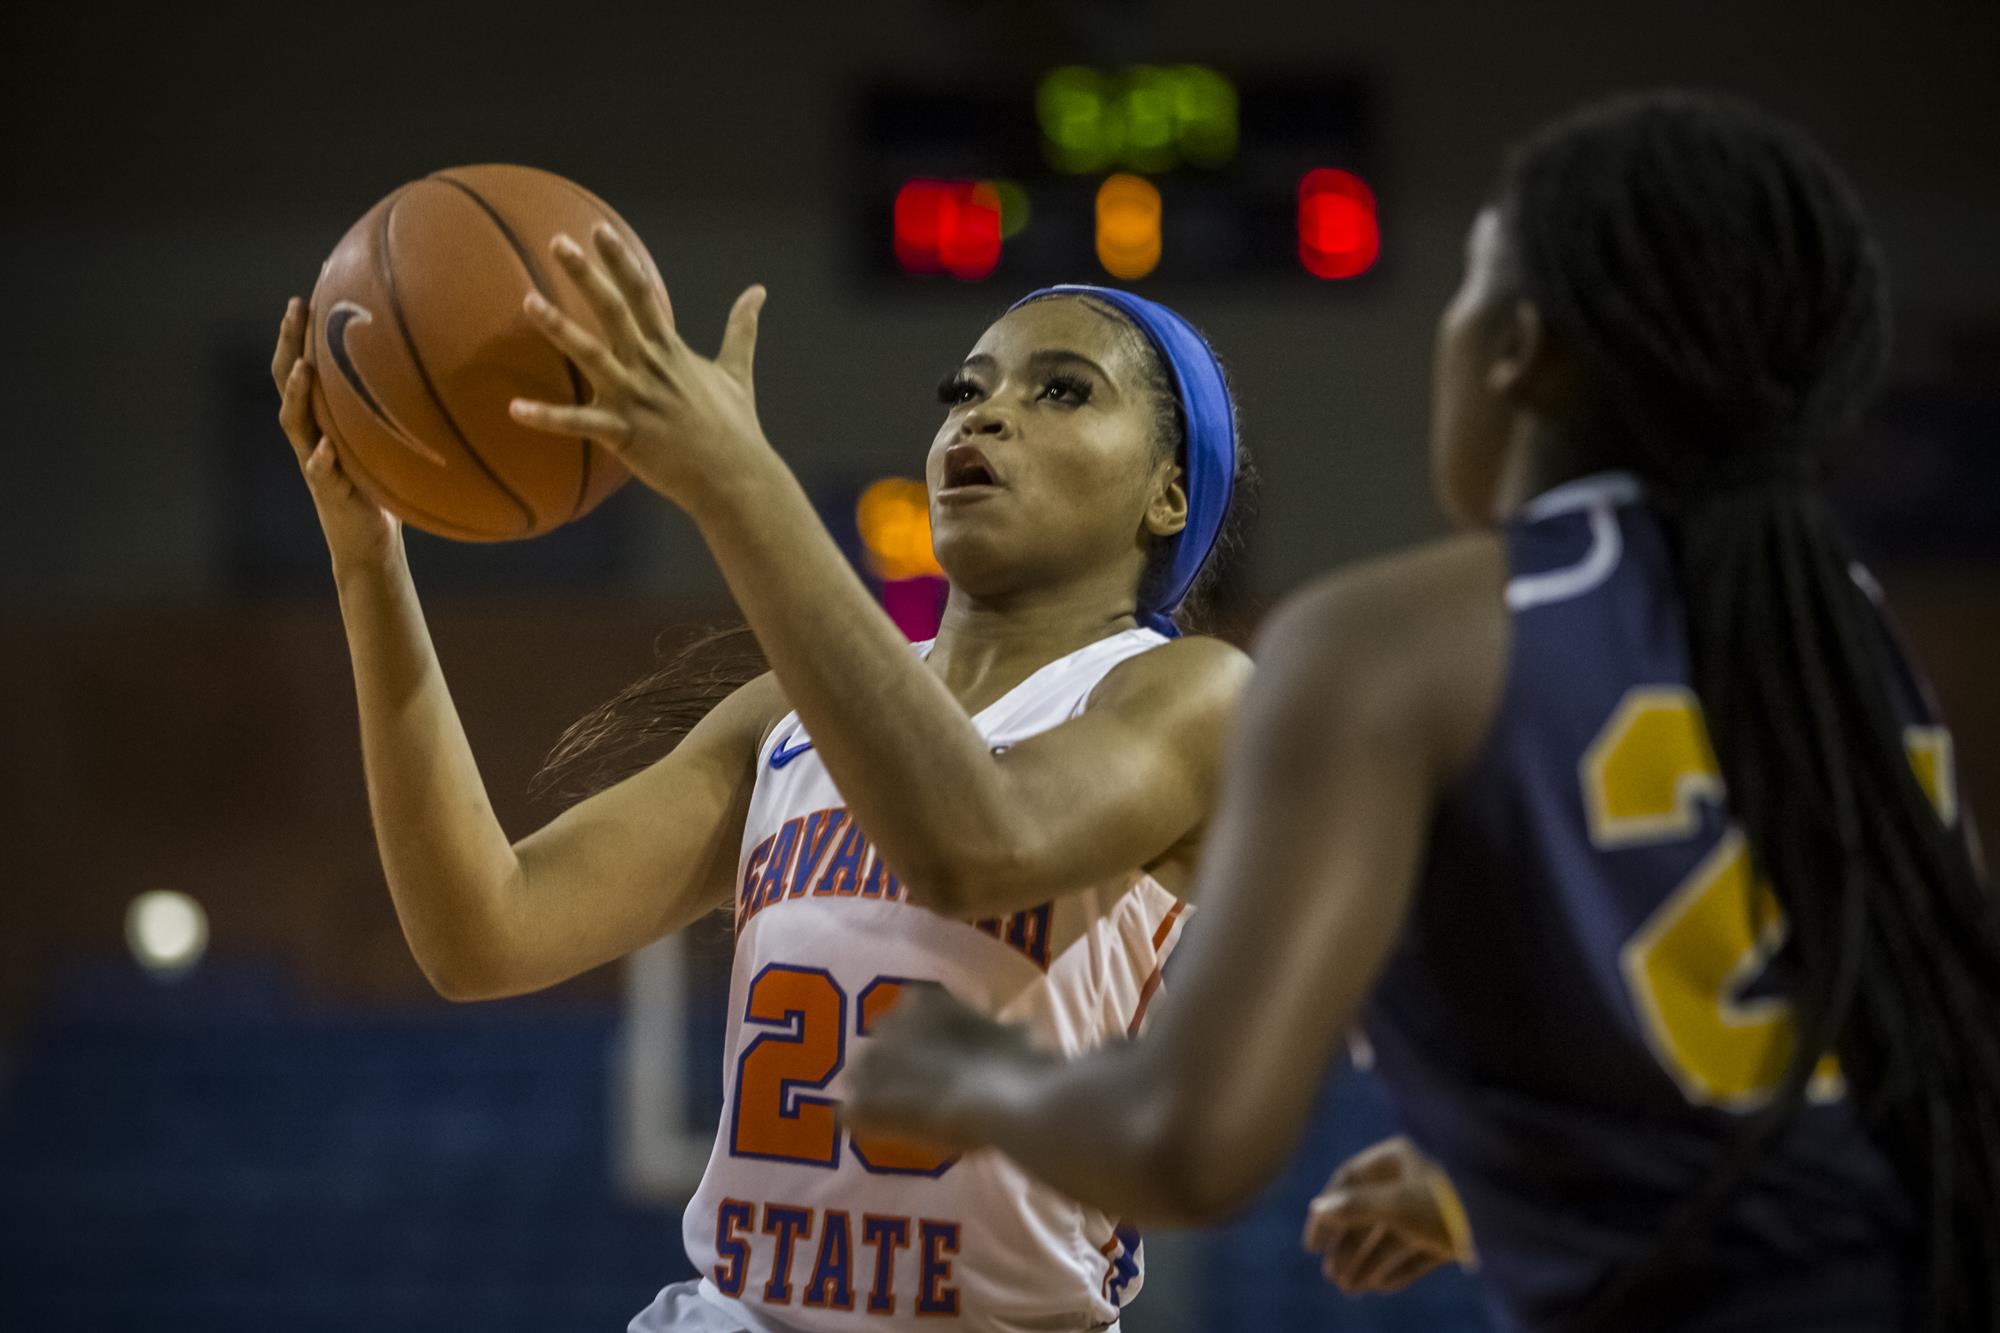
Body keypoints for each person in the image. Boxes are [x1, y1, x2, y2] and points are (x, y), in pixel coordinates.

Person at [845, 90, 2000, 1332]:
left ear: (1516, 345)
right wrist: (1481, 1182)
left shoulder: (1391, 641)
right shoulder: (1842, 626)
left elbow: (1189, 1144)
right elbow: (1847, 1059)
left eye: (1463, 289)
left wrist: (977, 1075)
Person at [271, 244, 1250, 1331]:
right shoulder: (784, 723)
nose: (983, 415)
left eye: (1060, 389)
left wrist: (734, 479)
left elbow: (982, 844)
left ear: (1167, 491)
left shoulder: (1187, 695)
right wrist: (369, 563)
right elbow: (481, 929)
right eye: (962, 392)